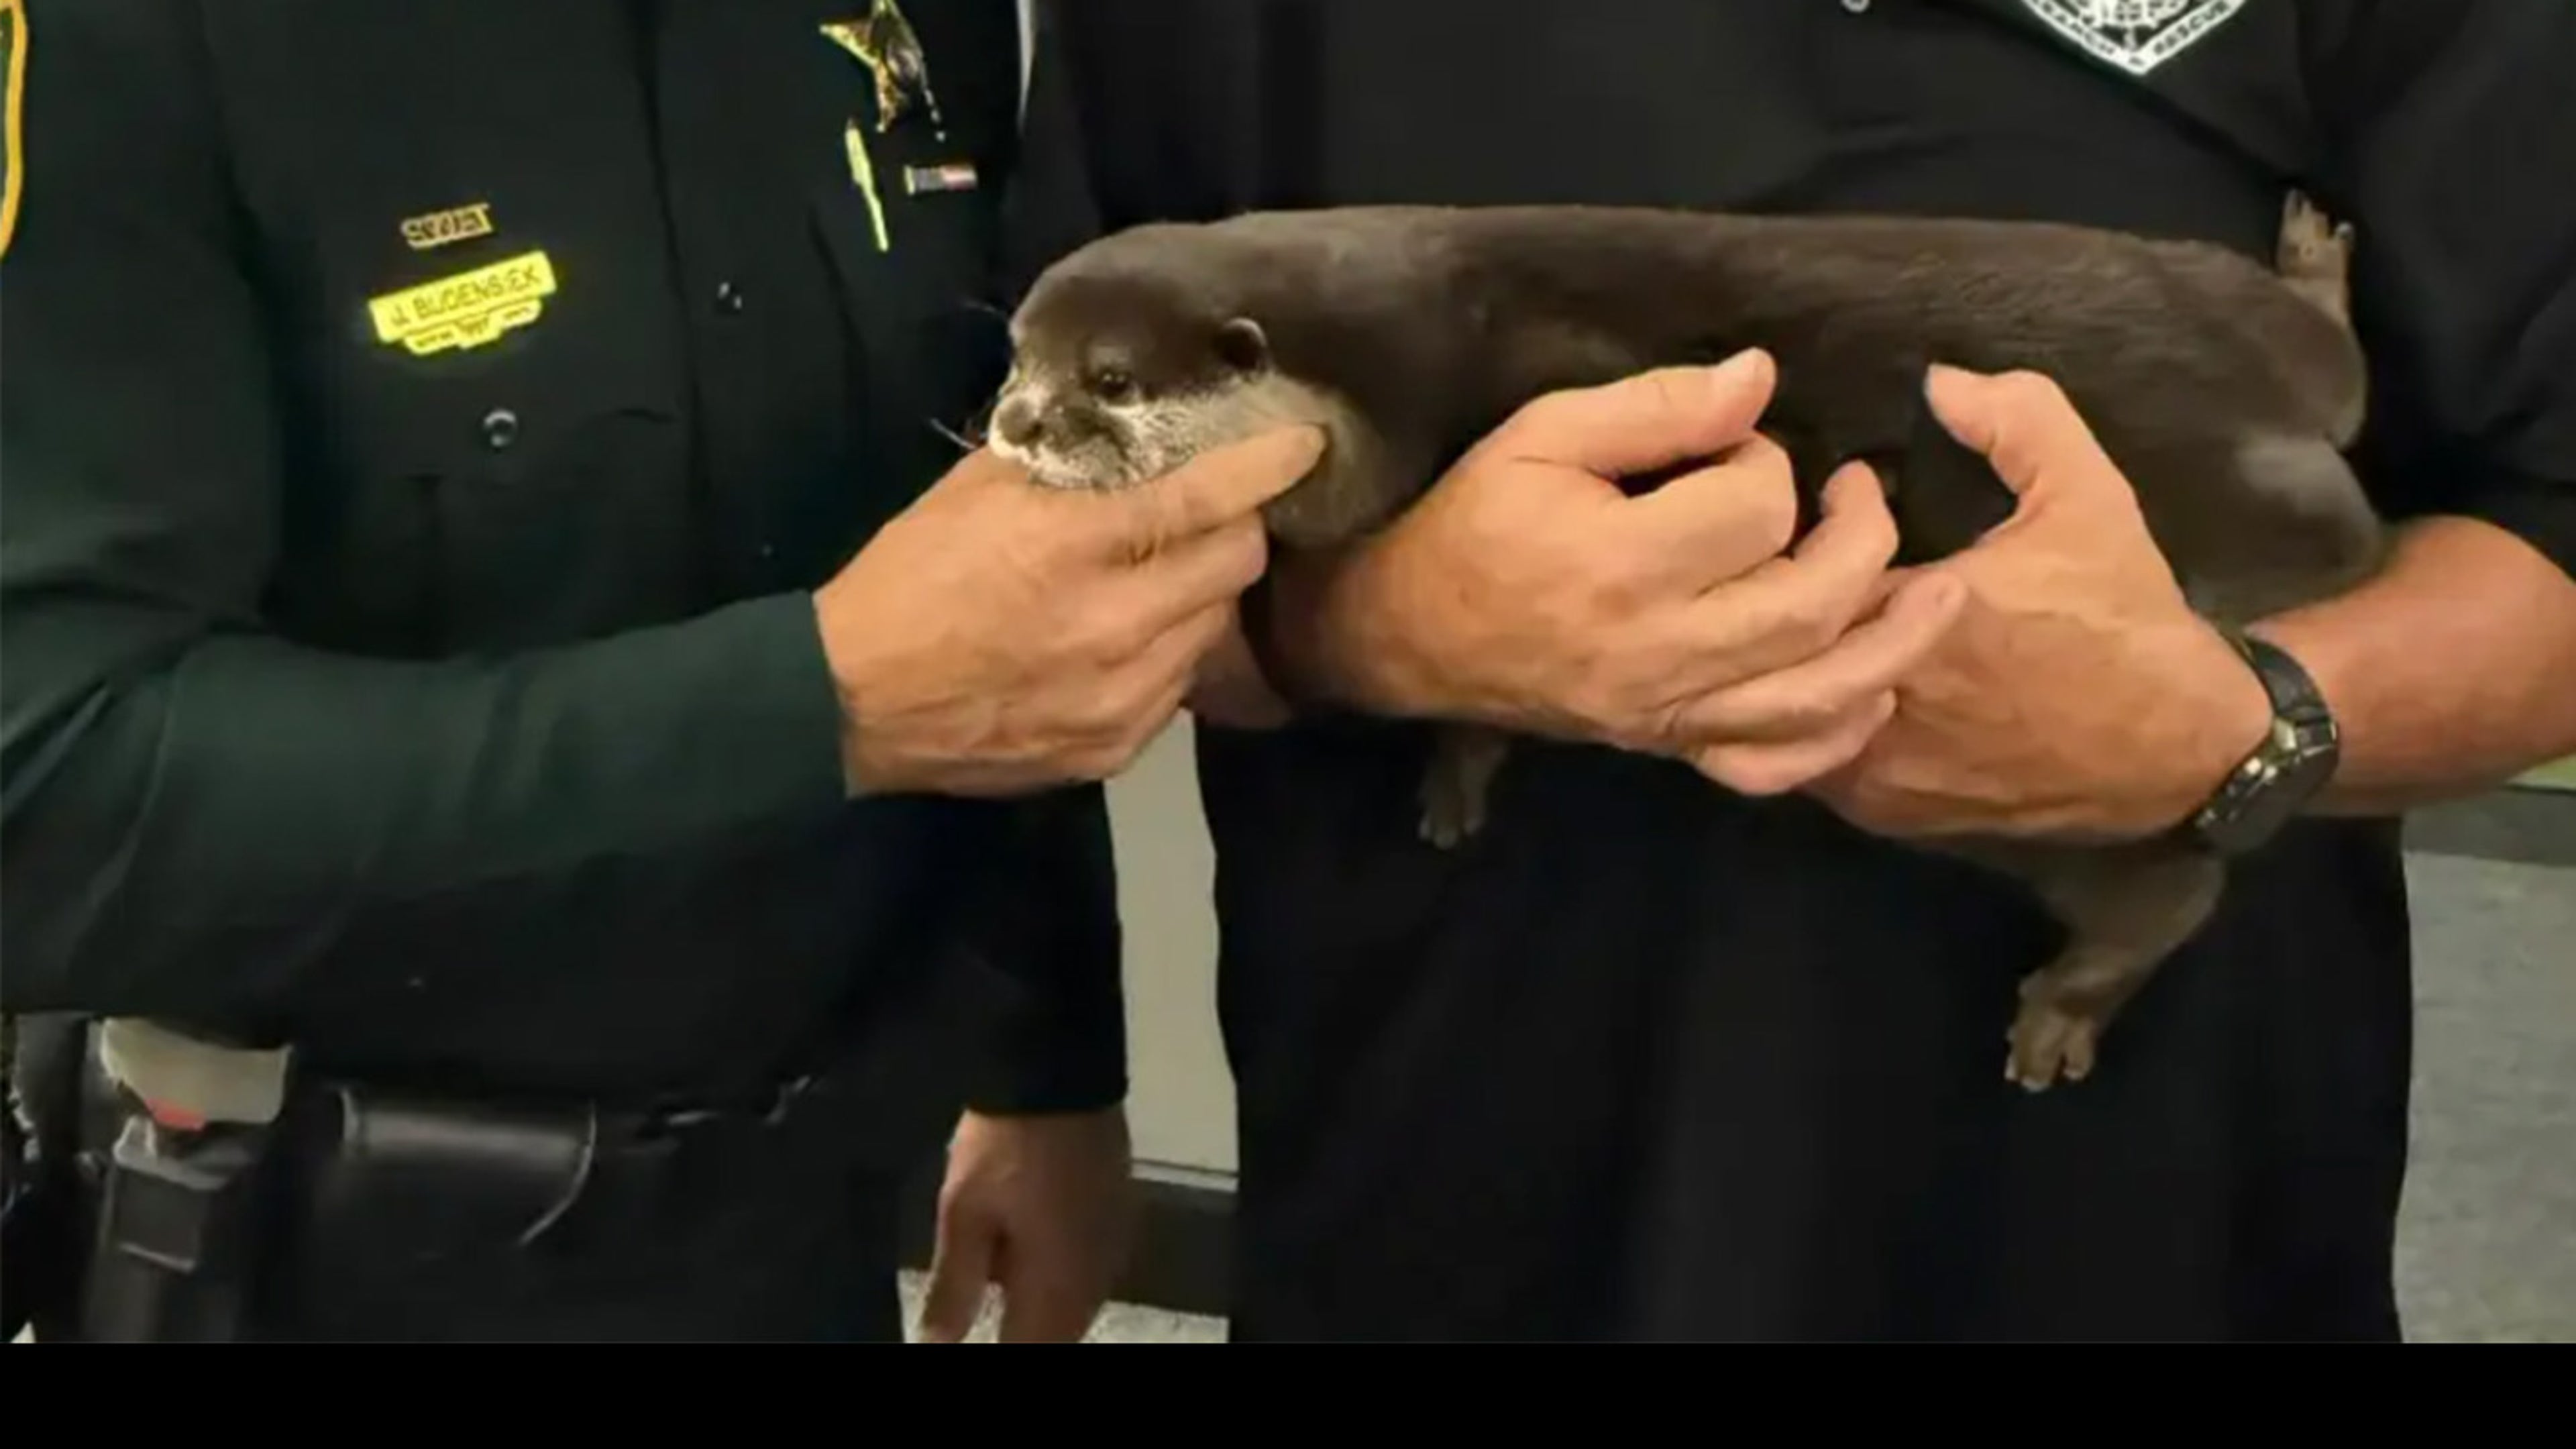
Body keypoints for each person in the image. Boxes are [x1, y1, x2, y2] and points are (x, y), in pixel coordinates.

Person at [1016, 0, 2576, 1340]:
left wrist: (2240, 726)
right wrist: (1372, 628)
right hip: (1456, 1190)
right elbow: (1009, 573)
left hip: (2136, 1216)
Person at [0, 0, 1319, 1342]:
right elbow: (45, 796)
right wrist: (818, 703)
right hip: (338, 1261)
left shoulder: (916, 24)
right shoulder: (124, 44)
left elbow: (984, 555)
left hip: (798, 1226)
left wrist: (1044, 1070)